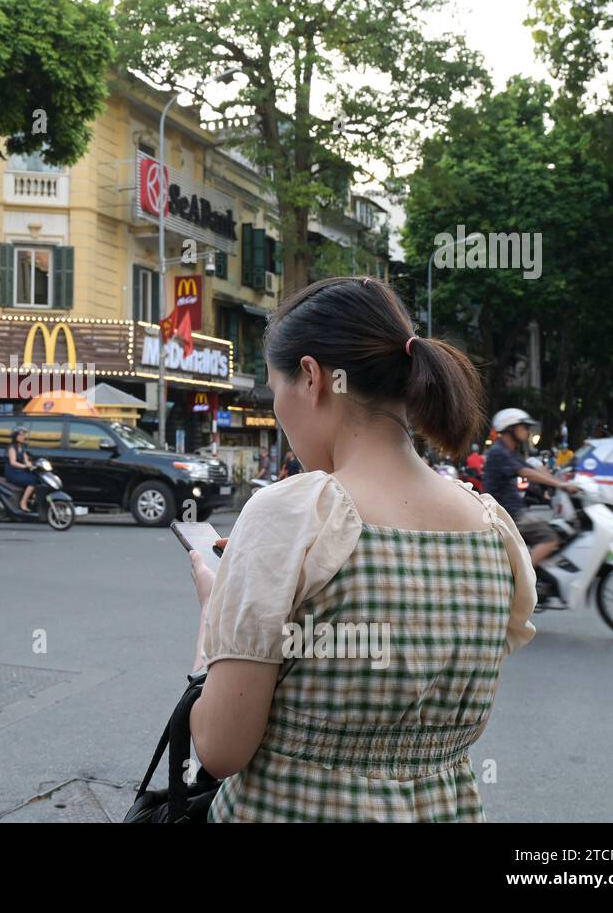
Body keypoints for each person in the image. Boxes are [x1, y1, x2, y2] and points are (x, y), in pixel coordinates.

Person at [184, 276, 536, 823]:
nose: (278, 414)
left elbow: (220, 750)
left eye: (275, 389)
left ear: (310, 378)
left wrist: (216, 612)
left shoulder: (291, 513)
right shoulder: (492, 528)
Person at [484, 408, 580, 572]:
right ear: (510, 428)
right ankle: (524, 577)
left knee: (559, 529)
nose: (528, 431)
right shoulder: (498, 452)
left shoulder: (509, 452)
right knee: (550, 538)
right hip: (509, 515)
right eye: (524, 427)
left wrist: (560, 481)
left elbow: (534, 469)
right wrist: (561, 485)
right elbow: (527, 473)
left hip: (512, 511)